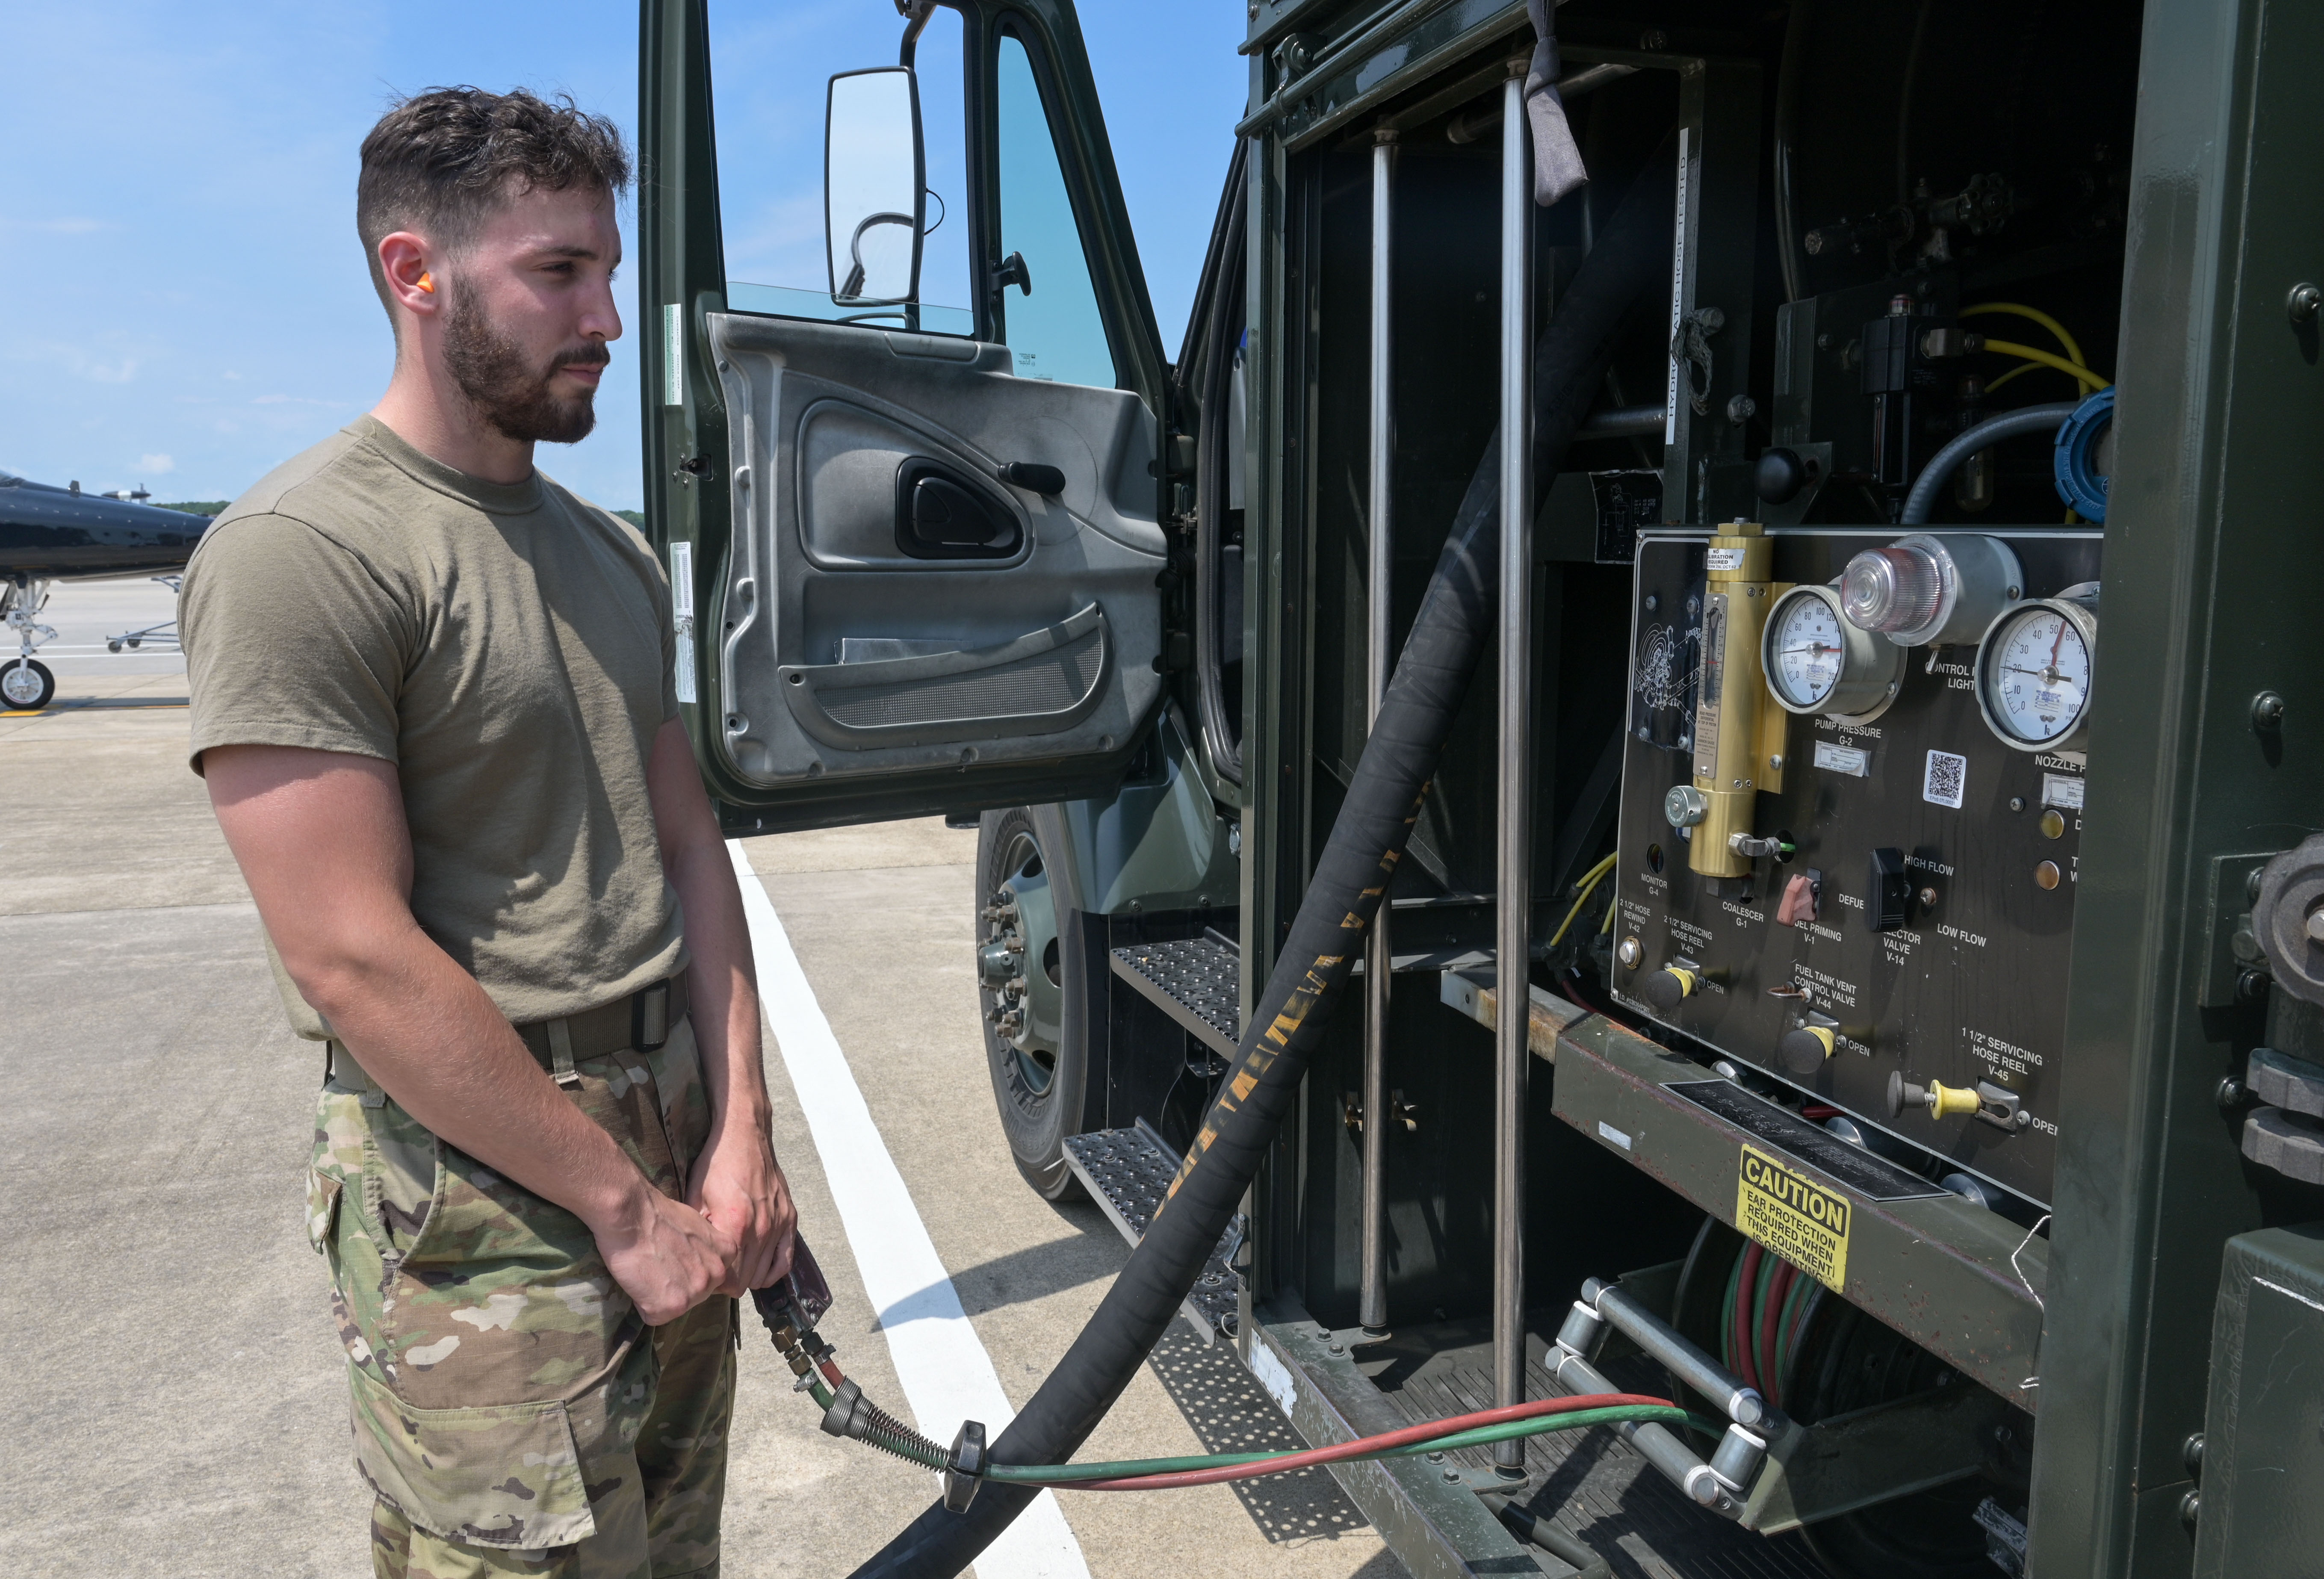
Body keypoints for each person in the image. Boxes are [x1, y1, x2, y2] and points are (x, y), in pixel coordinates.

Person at [180, 86, 794, 1578]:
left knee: (674, 1554)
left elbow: (687, 844)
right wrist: (615, 1205)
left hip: (666, 1123)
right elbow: (352, 958)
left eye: (607, 269)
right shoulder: (304, 553)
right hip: (483, 1185)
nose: (607, 314)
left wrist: (741, 1136)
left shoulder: (611, 554)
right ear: (417, 274)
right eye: (558, 273)